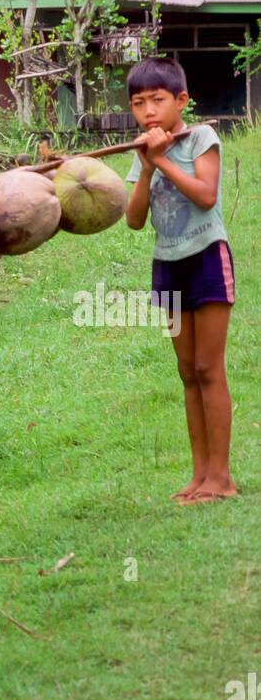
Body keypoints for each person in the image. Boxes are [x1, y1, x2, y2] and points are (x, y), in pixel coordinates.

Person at [125, 57, 237, 504]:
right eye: (138, 103)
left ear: (181, 100)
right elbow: (133, 220)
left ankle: (222, 478)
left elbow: (206, 197)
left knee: (209, 367)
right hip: (168, 265)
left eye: (158, 100)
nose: (149, 111)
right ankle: (199, 475)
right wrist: (148, 166)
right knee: (188, 372)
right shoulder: (142, 153)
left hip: (207, 258)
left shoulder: (200, 138)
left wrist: (164, 161)